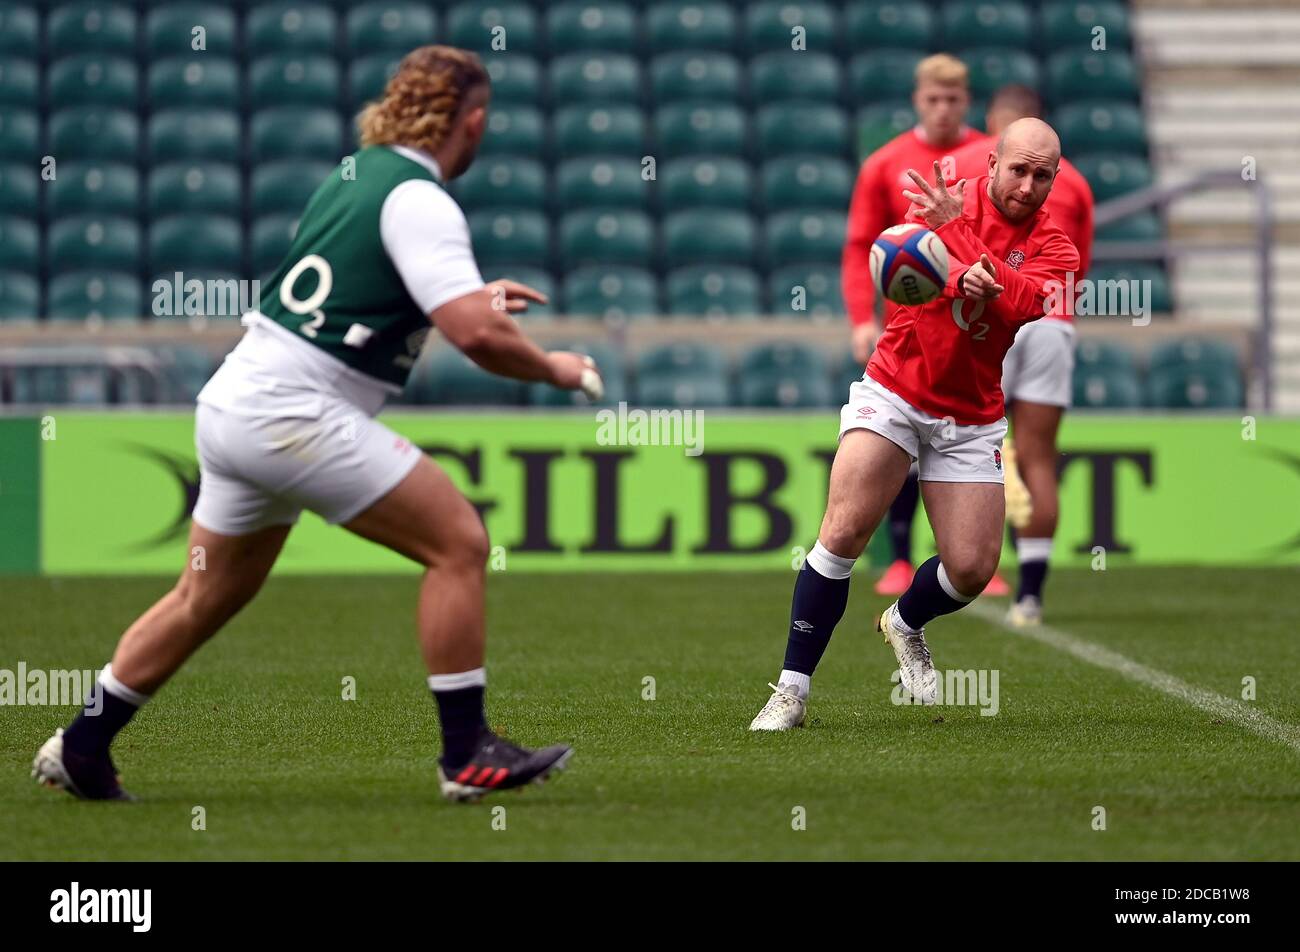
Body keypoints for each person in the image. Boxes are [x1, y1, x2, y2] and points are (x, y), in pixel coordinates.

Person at [33, 46, 601, 802]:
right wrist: (556, 367)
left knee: (202, 597)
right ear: (472, 120)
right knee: (459, 542)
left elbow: (362, 295)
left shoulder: (355, 176)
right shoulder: (421, 197)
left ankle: (81, 746)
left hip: (236, 400)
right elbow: (478, 339)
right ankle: (467, 755)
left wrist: (466, 294)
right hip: (292, 413)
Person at [750, 119, 1080, 730]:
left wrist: (964, 247)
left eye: (1043, 175)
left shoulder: (1059, 250)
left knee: (973, 569)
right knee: (843, 531)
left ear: (1053, 179)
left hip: (972, 415)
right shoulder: (939, 195)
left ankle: (904, 621)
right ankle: (791, 692)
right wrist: (958, 269)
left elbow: (1021, 302)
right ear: (993, 165)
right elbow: (897, 267)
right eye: (1018, 169)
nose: (1029, 184)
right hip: (896, 390)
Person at [947, 85, 1095, 626]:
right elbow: (1079, 265)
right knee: (1038, 455)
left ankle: (951, 563)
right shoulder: (1074, 180)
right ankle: (1029, 595)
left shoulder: (971, 167)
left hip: (988, 316)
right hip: (1051, 319)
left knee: (956, 437)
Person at [840, 53, 984, 598]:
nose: (944, 109)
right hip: (910, 333)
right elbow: (859, 247)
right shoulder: (886, 163)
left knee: (976, 436)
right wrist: (861, 319)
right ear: (917, 100)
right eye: (933, 99)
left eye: (953, 99)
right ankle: (899, 559)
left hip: (978, 330)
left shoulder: (990, 160)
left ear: (967, 102)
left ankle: (966, 557)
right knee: (901, 437)